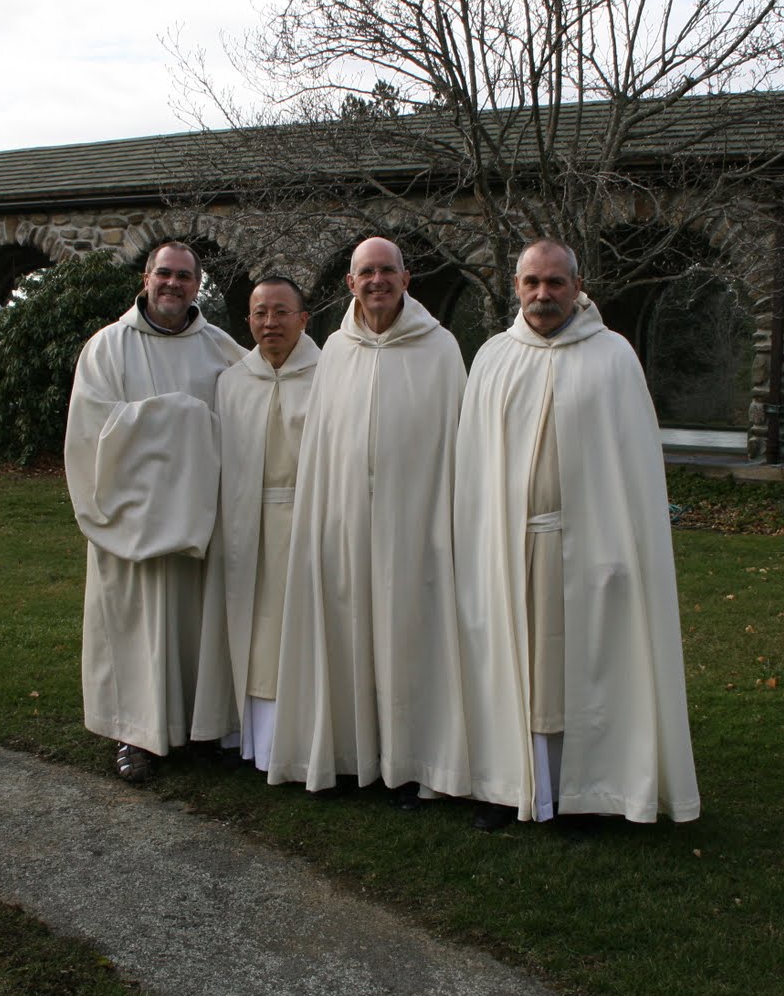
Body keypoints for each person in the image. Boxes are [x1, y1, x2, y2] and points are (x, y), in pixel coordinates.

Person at [454, 238, 700, 828]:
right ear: (515, 286)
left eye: (555, 283)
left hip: (592, 548)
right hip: (509, 546)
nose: (543, 294)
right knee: (511, 666)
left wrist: (622, 546)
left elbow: (633, 465)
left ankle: (593, 791)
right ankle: (511, 786)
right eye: (532, 282)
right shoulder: (492, 358)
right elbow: (473, 467)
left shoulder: (613, 356)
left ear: (576, 284)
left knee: (590, 667)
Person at [267, 237, 469, 806]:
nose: (377, 281)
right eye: (365, 273)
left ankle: (410, 764)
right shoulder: (336, 349)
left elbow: (456, 442)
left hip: (417, 523)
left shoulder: (440, 347)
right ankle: (351, 757)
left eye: (387, 271)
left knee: (410, 640)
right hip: (346, 522)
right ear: (350, 284)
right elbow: (324, 446)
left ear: (407, 280)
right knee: (349, 637)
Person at [64, 241, 244, 783]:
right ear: (146, 278)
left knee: (196, 629)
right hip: (133, 517)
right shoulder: (107, 349)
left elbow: (248, 419)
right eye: (164, 274)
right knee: (135, 629)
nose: (173, 284)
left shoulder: (221, 349)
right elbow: (93, 430)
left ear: (198, 284)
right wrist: (181, 418)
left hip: (197, 524)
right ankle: (134, 735)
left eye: (184, 276)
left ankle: (203, 726)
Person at [192, 276, 319, 770]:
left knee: (297, 633)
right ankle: (250, 739)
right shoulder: (232, 382)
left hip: (307, 523)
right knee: (250, 632)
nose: (270, 322)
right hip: (244, 524)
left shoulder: (329, 375)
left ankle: (307, 742)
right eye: (260, 313)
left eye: (281, 311)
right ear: (247, 321)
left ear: (303, 319)